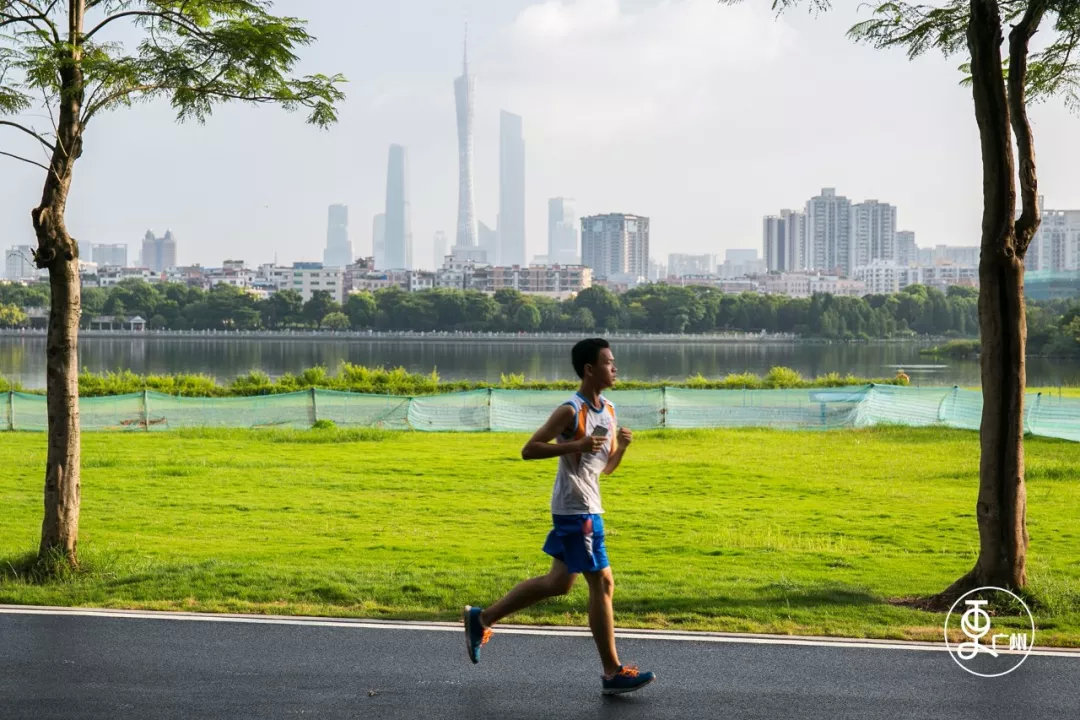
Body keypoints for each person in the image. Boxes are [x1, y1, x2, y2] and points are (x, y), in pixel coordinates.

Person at [463, 337, 655, 695]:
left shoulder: (609, 410)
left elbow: (605, 468)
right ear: (589, 369)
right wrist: (574, 445)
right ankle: (613, 672)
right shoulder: (570, 410)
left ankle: (482, 618)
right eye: (609, 363)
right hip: (575, 510)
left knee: (559, 584)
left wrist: (623, 448)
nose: (615, 368)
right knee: (603, 583)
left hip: (590, 504)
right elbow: (529, 449)